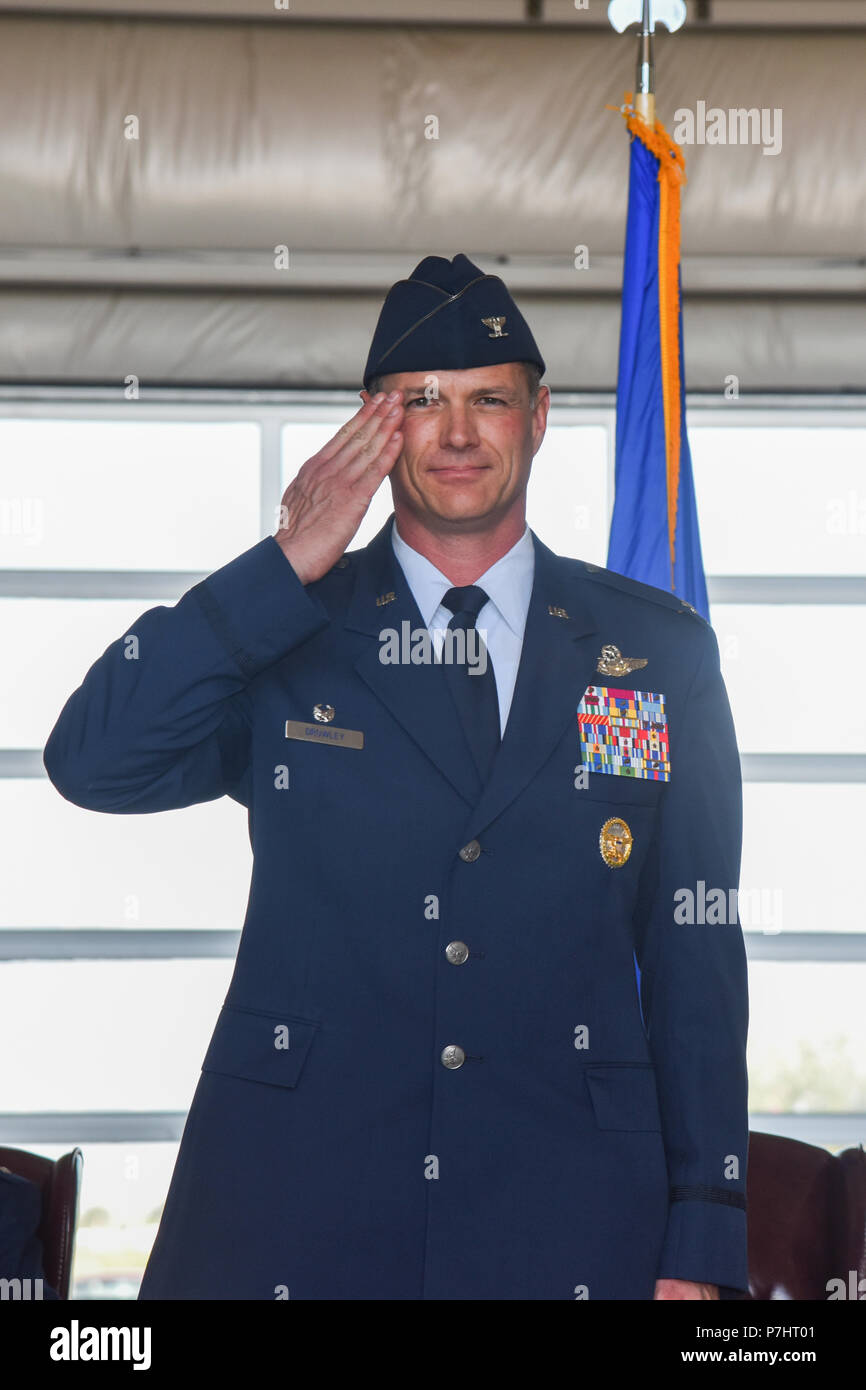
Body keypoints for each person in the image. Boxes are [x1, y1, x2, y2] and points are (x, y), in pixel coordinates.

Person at [43, 253, 749, 1301]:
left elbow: (693, 956)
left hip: (566, 1206)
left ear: (538, 417)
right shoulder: (289, 628)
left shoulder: (656, 653)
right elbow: (94, 759)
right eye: (421, 403)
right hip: (297, 1199)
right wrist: (283, 560)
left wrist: (701, 1236)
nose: (456, 433)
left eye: (486, 401)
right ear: (375, 427)